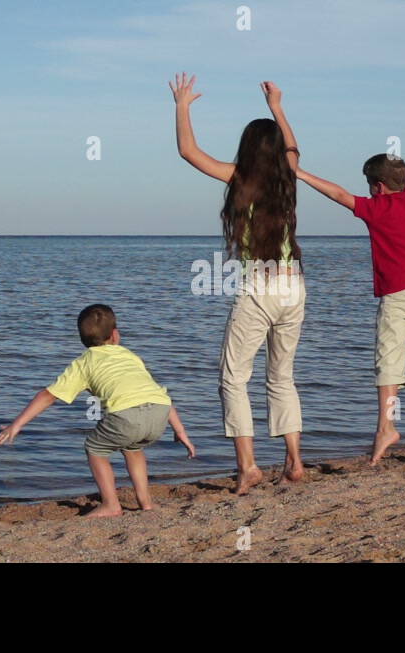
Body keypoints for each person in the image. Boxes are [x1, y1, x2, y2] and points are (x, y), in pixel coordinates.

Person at [169, 72, 305, 494]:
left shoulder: (238, 179)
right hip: (295, 287)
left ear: (247, 148)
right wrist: (278, 107)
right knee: (281, 378)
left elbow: (188, 152)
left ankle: (248, 466)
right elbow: (293, 149)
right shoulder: (288, 178)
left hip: (261, 287)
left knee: (234, 378)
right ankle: (295, 462)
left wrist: (182, 106)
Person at [295, 155, 405, 462]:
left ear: (379, 187)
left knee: (388, 364)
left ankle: (387, 428)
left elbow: (338, 194)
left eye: (370, 185)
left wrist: (303, 174)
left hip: (397, 295)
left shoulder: (376, 208)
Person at [0, 304, 195, 517]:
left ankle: (111, 505)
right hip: (161, 412)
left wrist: (17, 425)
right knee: (133, 448)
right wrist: (181, 432)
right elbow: (155, 392)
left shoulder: (83, 363)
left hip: (126, 415)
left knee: (95, 448)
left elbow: (48, 396)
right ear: (116, 335)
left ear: (83, 340)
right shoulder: (130, 356)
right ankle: (146, 504)